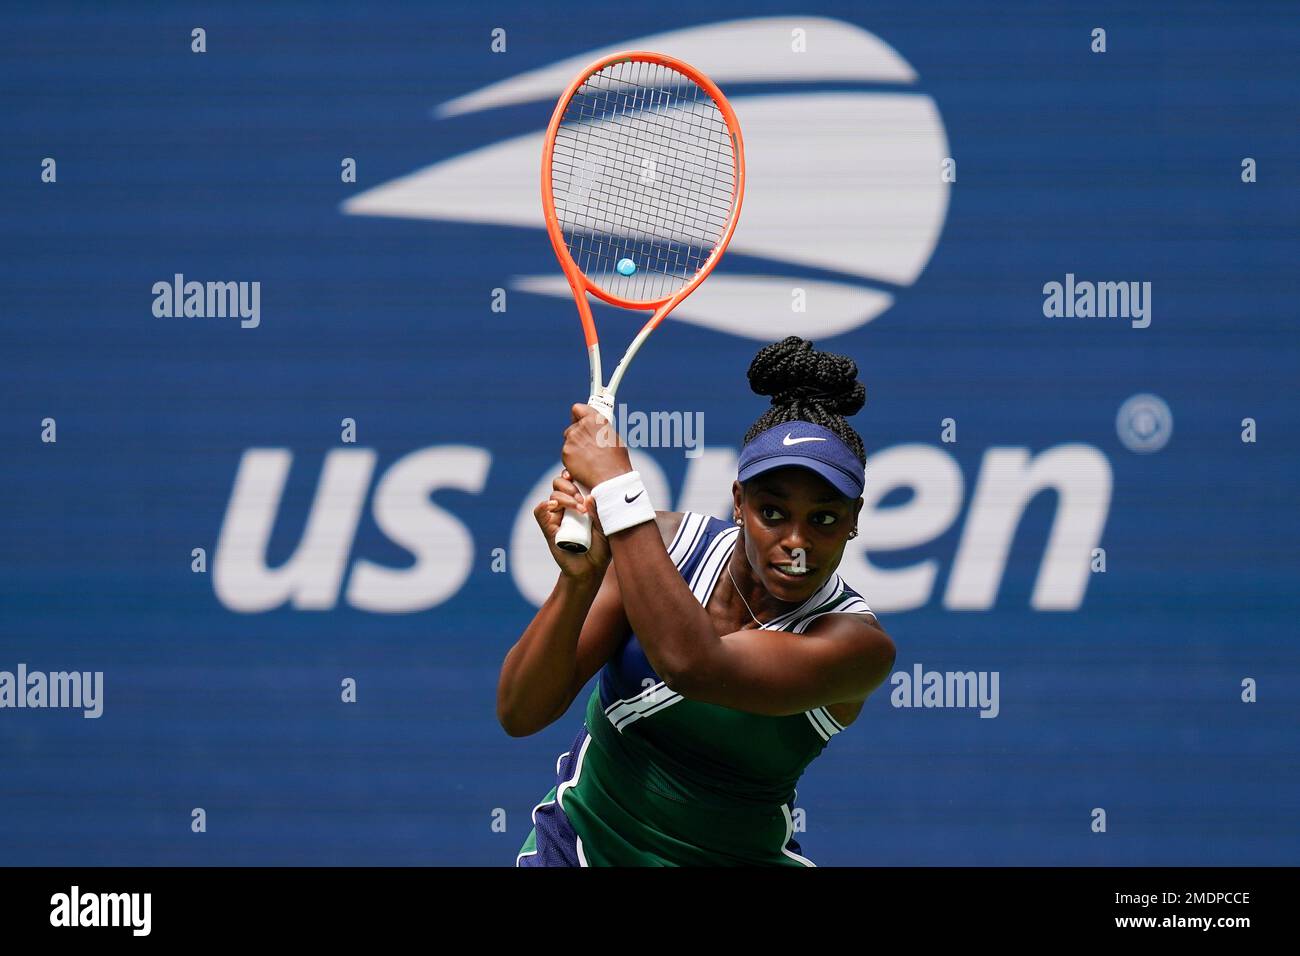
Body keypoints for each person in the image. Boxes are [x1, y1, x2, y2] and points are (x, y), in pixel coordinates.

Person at [499, 335, 896, 866]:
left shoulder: (857, 646)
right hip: (580, 848)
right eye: (773, 513)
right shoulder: (658, 547)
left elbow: (694, 663)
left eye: (823, 519)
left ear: (853, 522)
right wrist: (578, 582)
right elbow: (520, 712)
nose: (796, 541)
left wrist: (618, 488)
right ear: (738, 503)